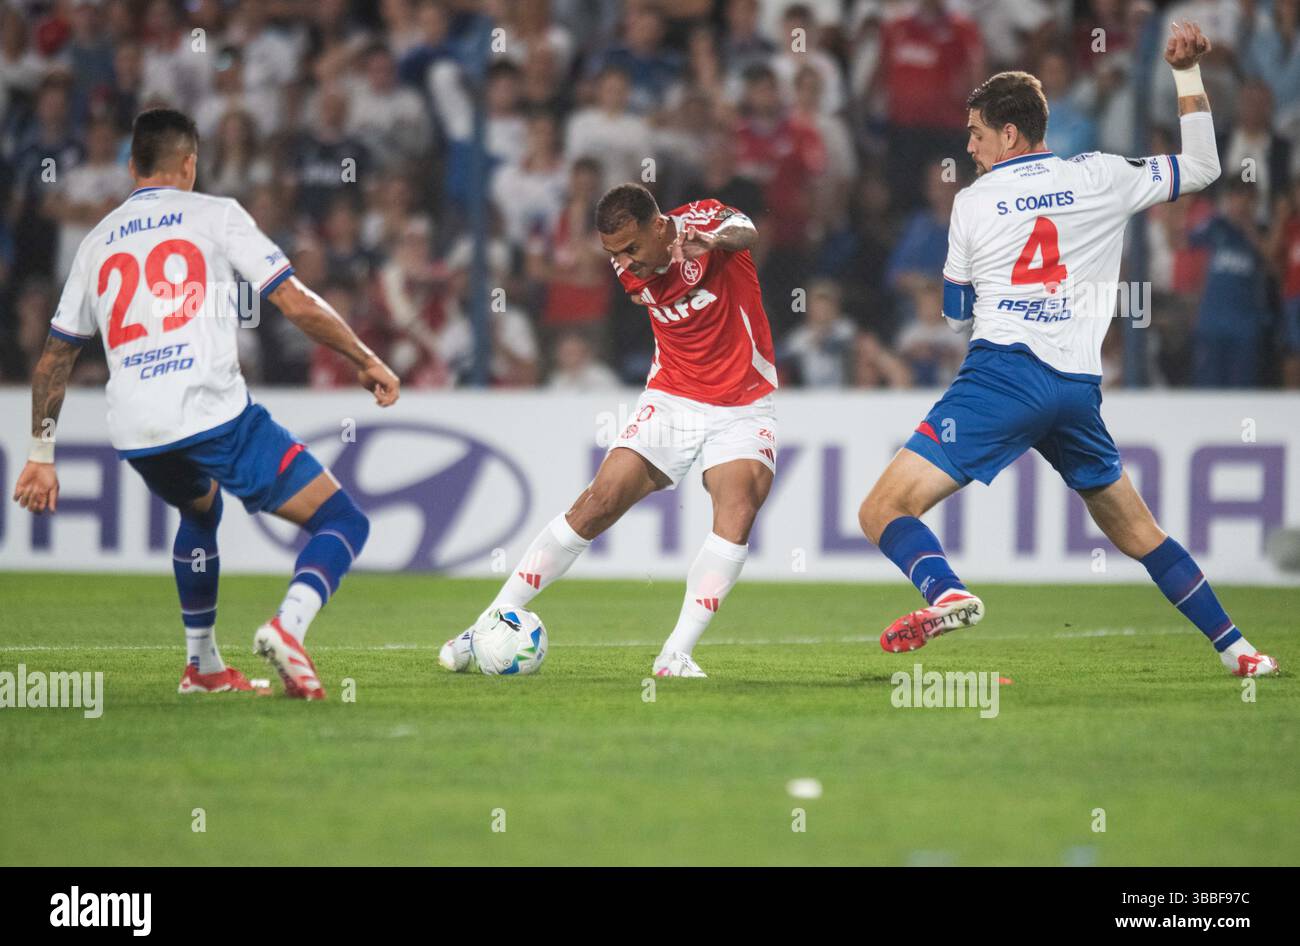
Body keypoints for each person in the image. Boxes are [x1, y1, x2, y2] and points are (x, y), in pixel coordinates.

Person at [856, 24, 1279, 678]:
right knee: (1141, 534)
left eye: (976, 133)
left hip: (1002, 377)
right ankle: (1240, 651)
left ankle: (946, 592)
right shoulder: (1101, 173)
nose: (968, 147)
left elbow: (955, 311)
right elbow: (1203, 167)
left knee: (882, 508)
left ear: (1010, 135)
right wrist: (1188, 74)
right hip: (1076, 390)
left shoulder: (972, 203)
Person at [11, 108, 401, 699]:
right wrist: (365, 358)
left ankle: (203, 666)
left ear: (131, 165)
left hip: (137, 428)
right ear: (189, 164)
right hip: (213, 413)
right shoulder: (216, 214)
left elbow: (53, 360)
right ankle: (287, 628)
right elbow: (293, 302)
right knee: (343, 519)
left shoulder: (95, 241)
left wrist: (41, 453)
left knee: (200, 512)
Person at [441, 185, 777, 678]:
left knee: (738, 509)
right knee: (597, 503)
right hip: (674, 397)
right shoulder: (629, 266)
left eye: (631, 249)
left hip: (744, 400)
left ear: (660, 226)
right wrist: (642, 256)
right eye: (612, 253)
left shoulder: (701, 222)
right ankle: (485, 624)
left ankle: (674, 654)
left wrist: (714, 237)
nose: (624, 263)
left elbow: (747, 229)